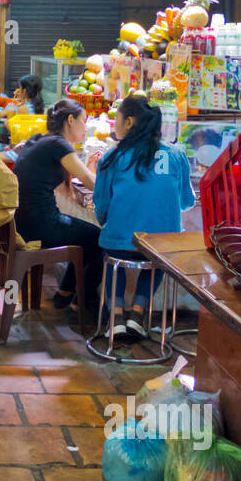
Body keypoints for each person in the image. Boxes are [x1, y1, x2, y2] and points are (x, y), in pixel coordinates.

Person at [92, 95, 194, 339]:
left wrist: (109, 222)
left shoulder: (111, 158)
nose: (114, 123)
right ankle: (137, 314)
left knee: (111, 257)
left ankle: (115, 317)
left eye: (116, 118)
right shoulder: (177, 155)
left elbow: (102, 206)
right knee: (156, 259)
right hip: (159, 246)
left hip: (119, 243)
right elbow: (186, 202)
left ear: (128, 122)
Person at [10, 98, 103, 320]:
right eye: (83, 122)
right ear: (70, 120)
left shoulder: (40, 140)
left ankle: (64, 294)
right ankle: (83, 303)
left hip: (23, 220)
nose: (84, 128)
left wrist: (87, 171)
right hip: (39, 225)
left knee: (86, 237)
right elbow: (89, 181)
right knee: (100, 239)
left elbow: (79, 176)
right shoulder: (58, 145)